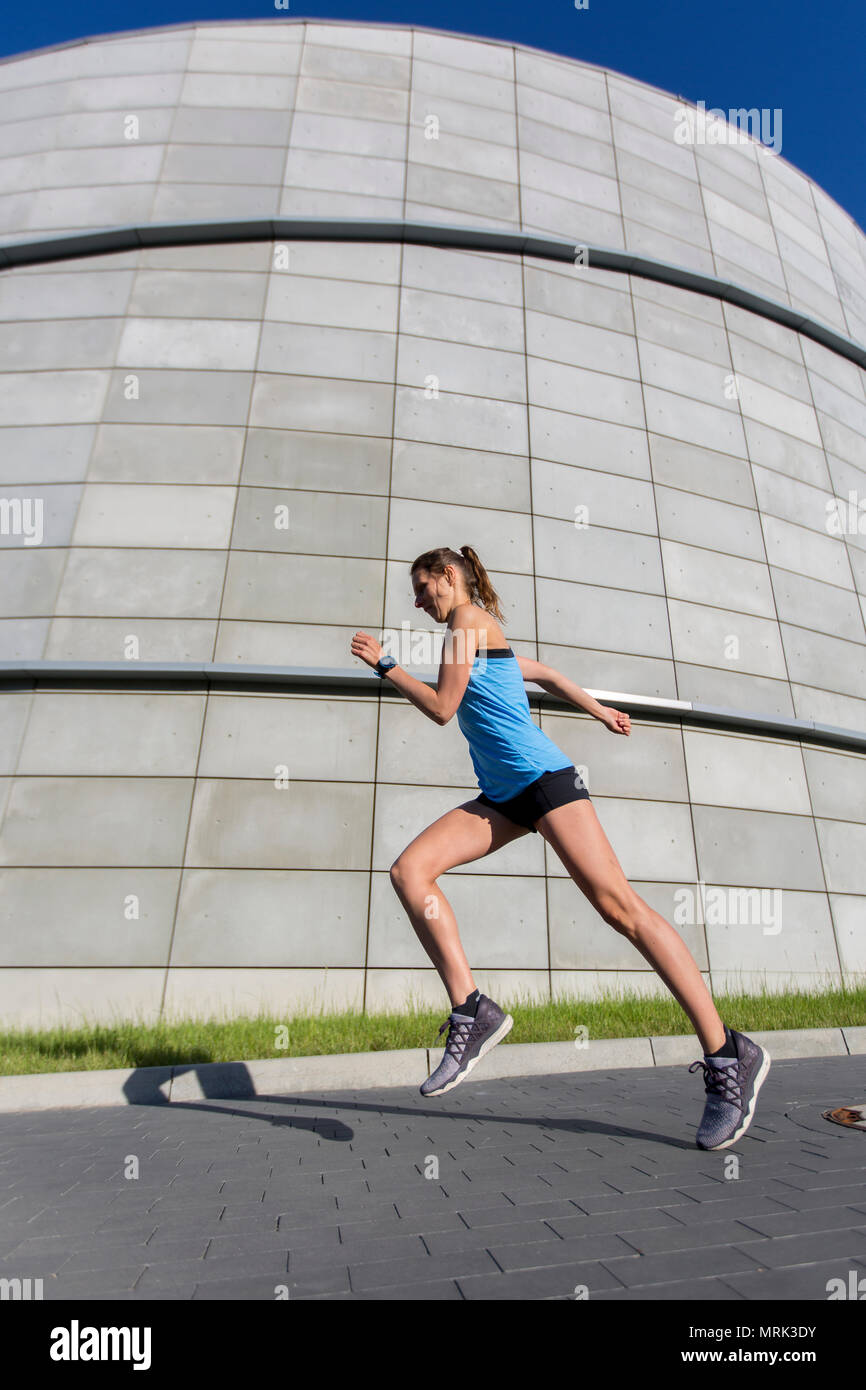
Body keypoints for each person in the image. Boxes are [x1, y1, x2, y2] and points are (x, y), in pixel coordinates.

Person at [351, 545, 770, 1150]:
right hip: (503, 795)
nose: (418, 602)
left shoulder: (466, 625)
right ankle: (472, 1010)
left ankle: (729, 1054)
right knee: (410, 871)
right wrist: (600, 711)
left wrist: (385, 664)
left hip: (545, 784)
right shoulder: (480, 632)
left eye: (423, 588)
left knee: (619, 907)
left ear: (449, 576)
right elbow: (543, 673)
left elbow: (444, 709)